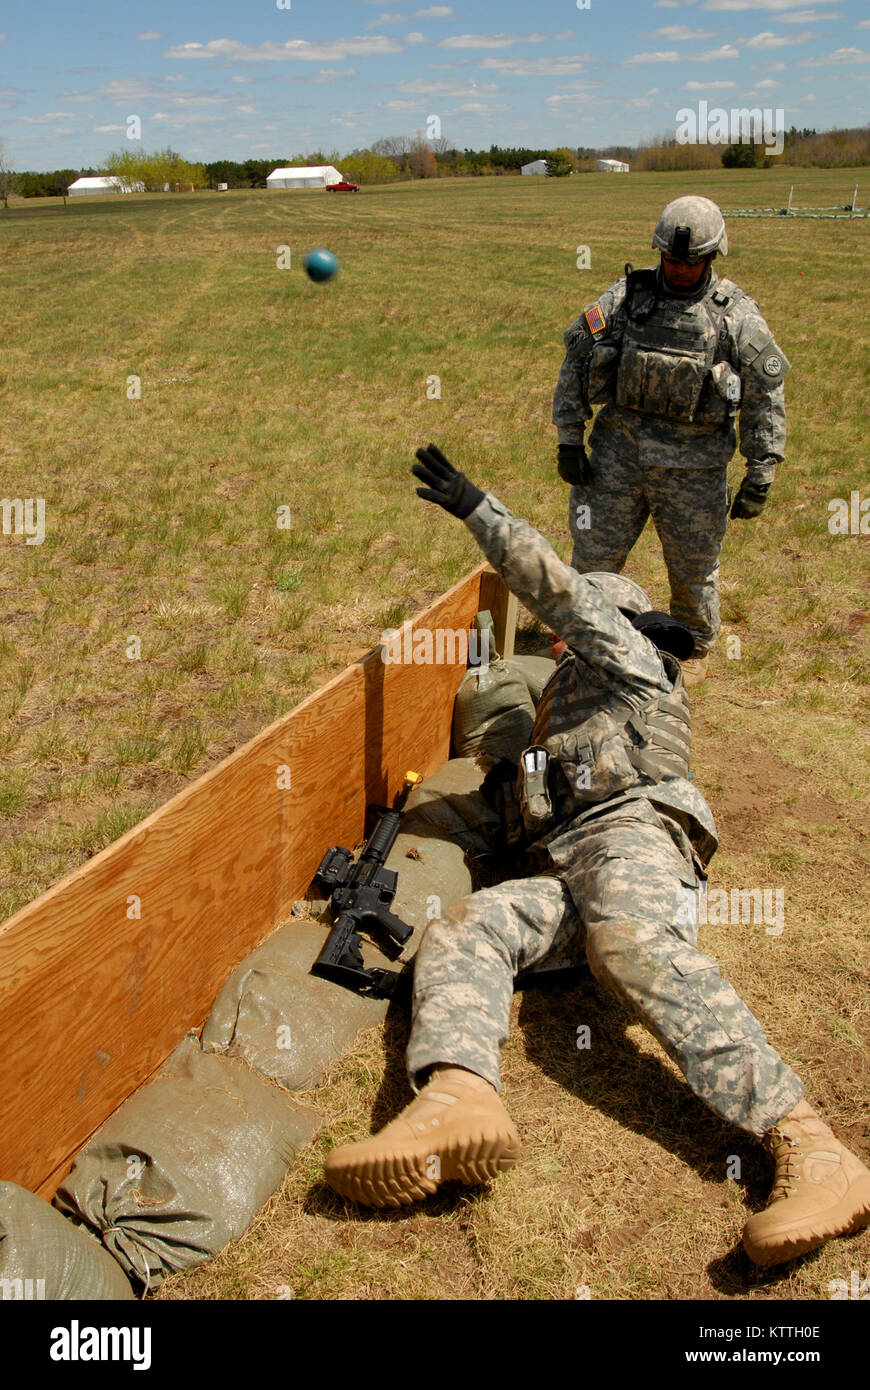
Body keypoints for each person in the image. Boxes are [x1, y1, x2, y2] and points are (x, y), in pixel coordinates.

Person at [323, 443, 870, 1270]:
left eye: (563, 639)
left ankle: (812, 1145)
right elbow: (508, 817)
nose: (555, 649)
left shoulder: (635, 665)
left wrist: (481, 510)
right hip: (567, 870)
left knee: (632, 944)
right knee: (467, 926)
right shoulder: (553, 724)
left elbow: (560, 589)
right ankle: (458, 1092)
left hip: (635, 837)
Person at [552, 195, 790, 687]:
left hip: (695, 471)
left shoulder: (735, 316)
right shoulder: (625, 299)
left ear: (714, 256)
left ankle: (684, 661)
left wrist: (761, 470)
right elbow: (576, 359)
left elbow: (766, 391)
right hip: (617, 460)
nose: (680, 268)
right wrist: (570, 439)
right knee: (593, 561)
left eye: (692, 260)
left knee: (693, 574)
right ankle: (585, 645)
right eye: (672, 258)